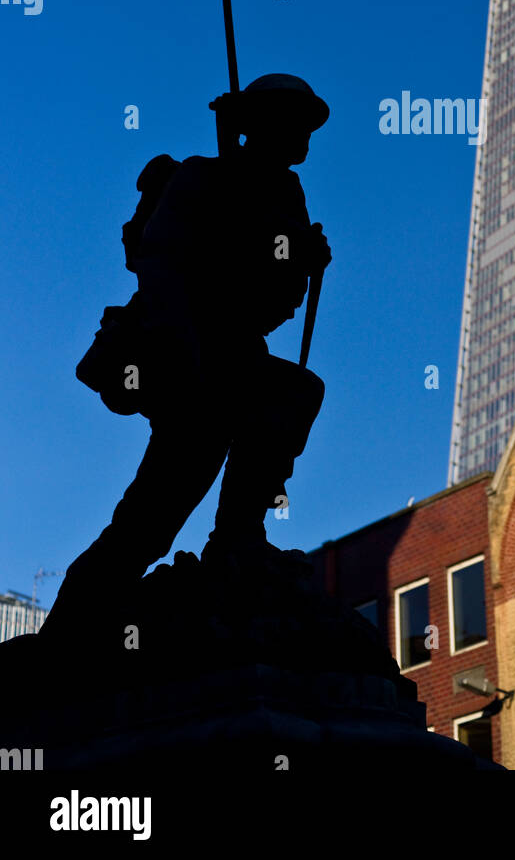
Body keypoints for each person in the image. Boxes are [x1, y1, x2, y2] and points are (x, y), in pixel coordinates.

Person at [39, 74, 331, 643]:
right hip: (188, 355)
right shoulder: (206, 176)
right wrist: (185, 351)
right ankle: (65, 635)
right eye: (294, 122)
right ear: (262, 125)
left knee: (293, 392)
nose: (305, 136)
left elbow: (271, 297)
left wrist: (300, 252)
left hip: (236, 353)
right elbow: (160, 258)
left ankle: (238, 536)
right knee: (154, 517)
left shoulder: (282, 195)